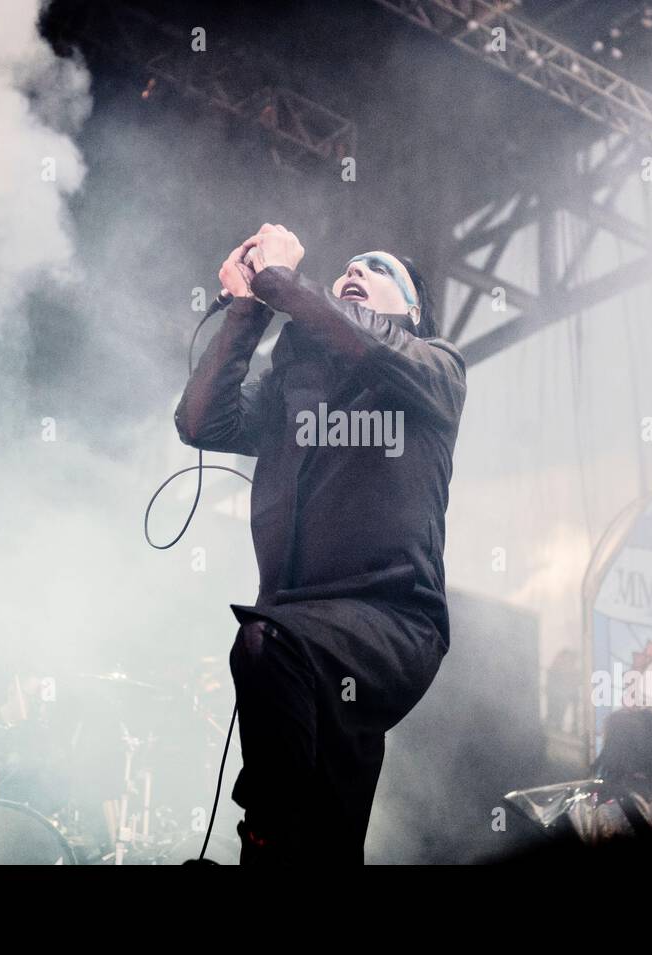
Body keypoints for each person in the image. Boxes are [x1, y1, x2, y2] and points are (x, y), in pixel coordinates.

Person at [175, 224, 466, 864]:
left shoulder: (434, 369)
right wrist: (247, 312)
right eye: (348, 268)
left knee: (263, 642)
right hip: (310, 641)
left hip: (391, 622)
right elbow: (200, 422)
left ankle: (265, 838)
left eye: (379, 268)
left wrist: (281, 281)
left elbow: (365, 343)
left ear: (413, 313)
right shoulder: (294, 391)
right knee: (331, 829)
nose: (355, 270)